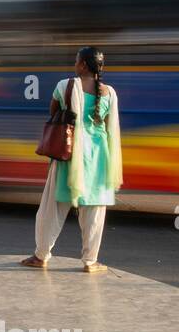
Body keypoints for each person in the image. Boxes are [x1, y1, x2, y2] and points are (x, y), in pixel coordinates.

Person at [21, 46, 123, 273]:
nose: (75, 64)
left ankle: (41, 255)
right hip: (98, 158)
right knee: (94, 210)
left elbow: (54, 113)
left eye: (77, 61)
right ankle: (90, 261)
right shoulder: (110, 93)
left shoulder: (64, 86)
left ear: (83, 65)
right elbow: (107, 126)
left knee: (52, 208)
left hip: (68, 154)